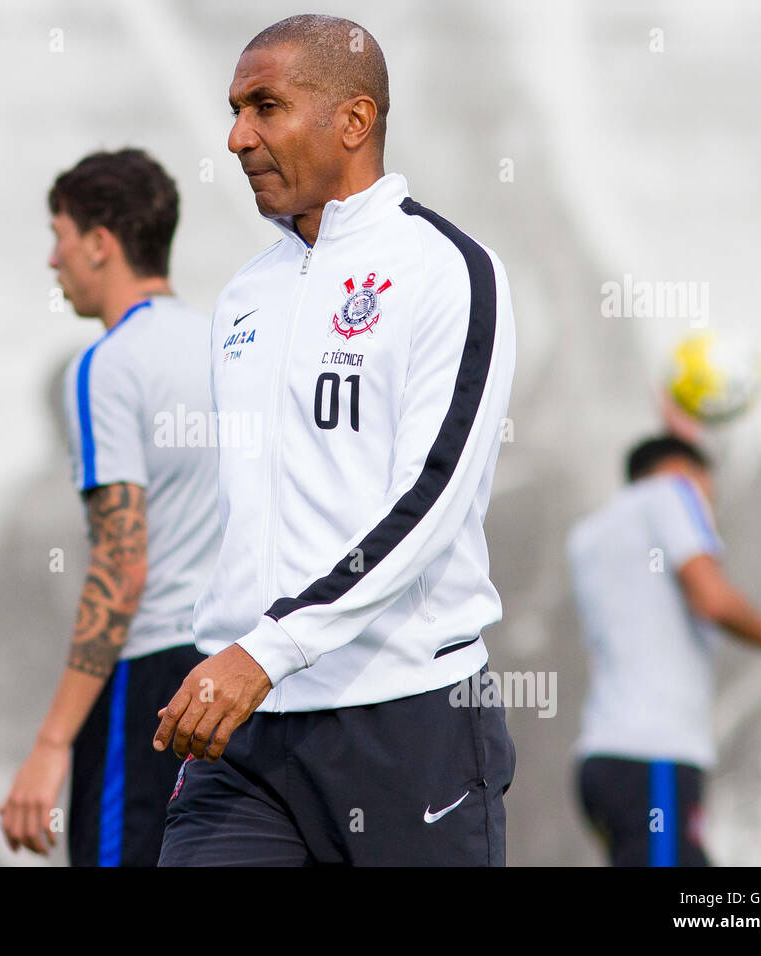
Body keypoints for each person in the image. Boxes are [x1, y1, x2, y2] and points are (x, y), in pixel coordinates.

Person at [153, 14, 518, 866]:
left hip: (405, 720)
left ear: (354, 121)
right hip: (244, 734)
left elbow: (429, 500)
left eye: (265, 107)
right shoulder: (246, 294)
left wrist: (269, 649)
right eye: (236, 110)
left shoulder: (447, 270)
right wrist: (223, 653)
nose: (237, 137)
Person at [0, 149, 219, 866]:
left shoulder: (109, 363)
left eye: (58, 234)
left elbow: (122, 565)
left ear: (100, 243)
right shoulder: (228, 345)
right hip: (238, 677)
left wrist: (52, 742)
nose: (50, 258)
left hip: (151, 685)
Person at [568, 434, 761, 866]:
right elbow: (711, 598)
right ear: (686, 476)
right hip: (652, 759)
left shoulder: (590, 535)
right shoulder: (672, 494)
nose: (708, 513)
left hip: (604, 762)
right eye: (707, 497)